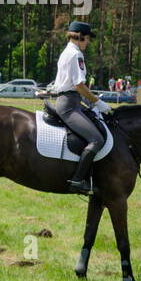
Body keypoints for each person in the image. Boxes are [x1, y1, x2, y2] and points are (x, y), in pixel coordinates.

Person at [47, 20, 111, 193]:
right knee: (96, 139)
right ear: (81, 36)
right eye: (87, 39)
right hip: (69, 106)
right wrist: (98, 102)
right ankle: (77, 181)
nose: (88, 42)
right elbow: (79, 86)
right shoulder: (76, 55)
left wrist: (91, 103)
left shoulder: (68, 51)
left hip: (72, 101)